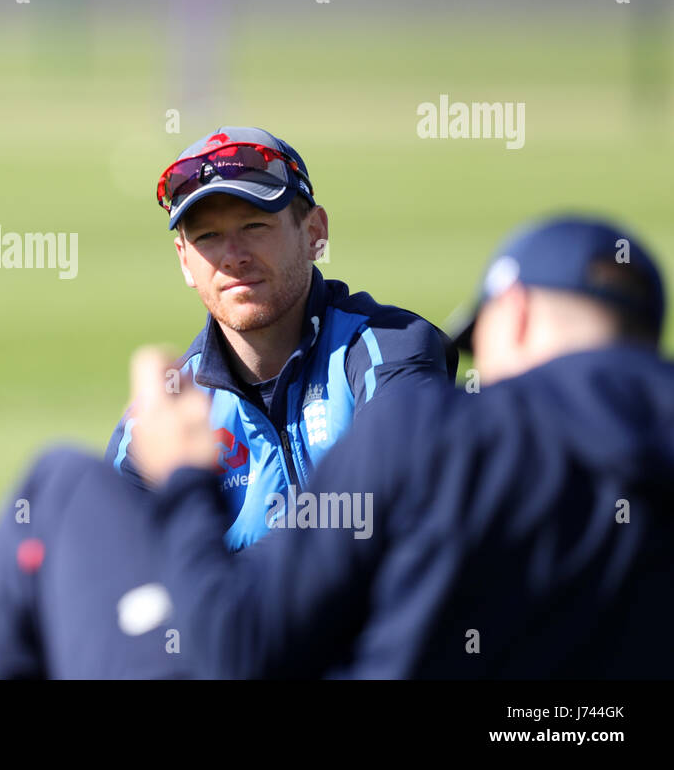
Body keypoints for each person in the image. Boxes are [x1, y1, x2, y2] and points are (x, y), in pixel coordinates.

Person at [145, 216, 674, 678]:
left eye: (476, 344)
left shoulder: (429, 431)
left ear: (514, 315)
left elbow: (236, 650)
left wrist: (183, 481)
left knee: (63, 479)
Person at [106, 127, 454, 550]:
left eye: (254, 225)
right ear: (184, 260)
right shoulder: (163, 413)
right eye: (208, 236)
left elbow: (396, 515)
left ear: (314, 234)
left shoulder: (389, 347)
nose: (233, 256)